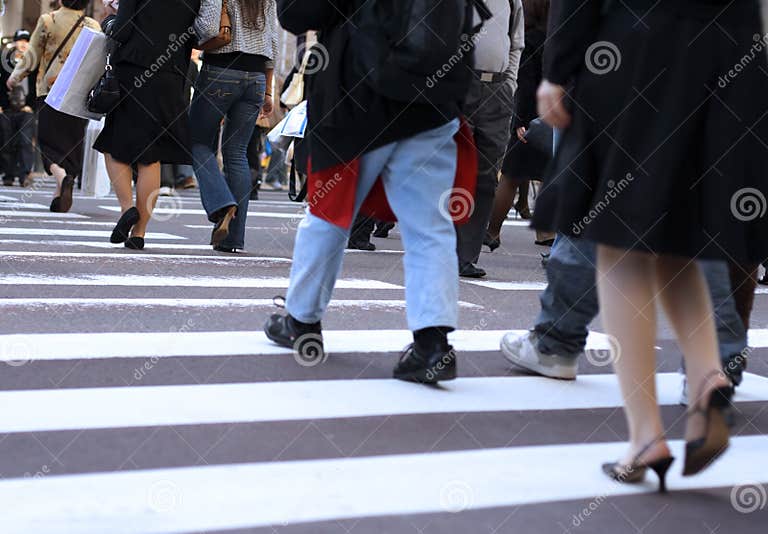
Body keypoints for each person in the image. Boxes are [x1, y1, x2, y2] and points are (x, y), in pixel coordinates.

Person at [533, 0, 768, 491]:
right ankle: (706, 376)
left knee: (619, 246)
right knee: (678, 233)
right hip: (732, 47)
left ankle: (645, 437)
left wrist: (557, 67)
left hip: (637, 46)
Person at [265, 0, 484, 383]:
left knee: (328, 215)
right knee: (430, 228)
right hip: (432, 99)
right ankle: (432, 344)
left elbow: (298, 13)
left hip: (357, 97)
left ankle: (302, 320)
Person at [94, 0, 201, 250]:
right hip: (171, 74)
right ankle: (139, 232)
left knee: (112, 144)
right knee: (151, 156)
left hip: (134, 70)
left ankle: (127, 209)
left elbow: (122, 31)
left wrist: (108, 19)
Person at [191, 0, 277, 253]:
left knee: (196, 142)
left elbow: (208, 28)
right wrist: (268, 91)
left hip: (220, 70)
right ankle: (233, 238)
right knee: (237, 153)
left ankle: (222, 204)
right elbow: (272, 43)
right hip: (257, 78)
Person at [7, 3, 100, 210]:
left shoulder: (49, 20)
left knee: (49, 142)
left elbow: (32, 55)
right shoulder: (92, 25)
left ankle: (61, 175)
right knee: (72, 142)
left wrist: (15, 77)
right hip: (79, 93)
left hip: (51, 91)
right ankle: (60, 195)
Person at [456, 0, 524, 279]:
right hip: (460, 85)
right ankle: (441, 249)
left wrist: (510, 83)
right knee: (452, 170)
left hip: (497, 90)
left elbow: (516, 43)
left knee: (485, 177)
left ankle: (466, 256)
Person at [485, 0, 550, 251]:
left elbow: (524, 82)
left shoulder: (530, 39)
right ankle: (545, 232)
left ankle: (492, 231)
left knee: (511, 175)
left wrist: (520, 119)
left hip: (528, 113)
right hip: (550, 114)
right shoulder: (551, 39)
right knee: (548, 175)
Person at [0, 29, 36, 188]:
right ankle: (8, 175)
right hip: (7, 108)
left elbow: (36, 85)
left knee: (25, 141)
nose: (23, 43)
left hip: (26, 109)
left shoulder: (33, 63)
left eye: (26, 40)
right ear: (15, 42)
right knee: (7, 141)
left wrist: (31, 106)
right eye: (20, 40)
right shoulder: (5, 61)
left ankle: (25, 175)